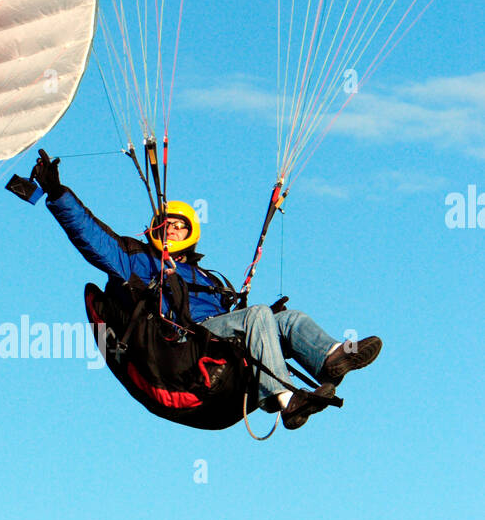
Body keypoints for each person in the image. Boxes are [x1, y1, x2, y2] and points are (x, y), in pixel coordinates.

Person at [31, 152, 381, 429]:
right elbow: (94, 240)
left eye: (178, 225)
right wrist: (58, 194)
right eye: (163, 225)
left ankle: (331, 358)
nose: (169, 229)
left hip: (222, 339)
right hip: (187, 341)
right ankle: (286, 400)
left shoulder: (209, 278)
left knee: (287, 319)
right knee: (258, 314)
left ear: (191, 232)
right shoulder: (139, 262)